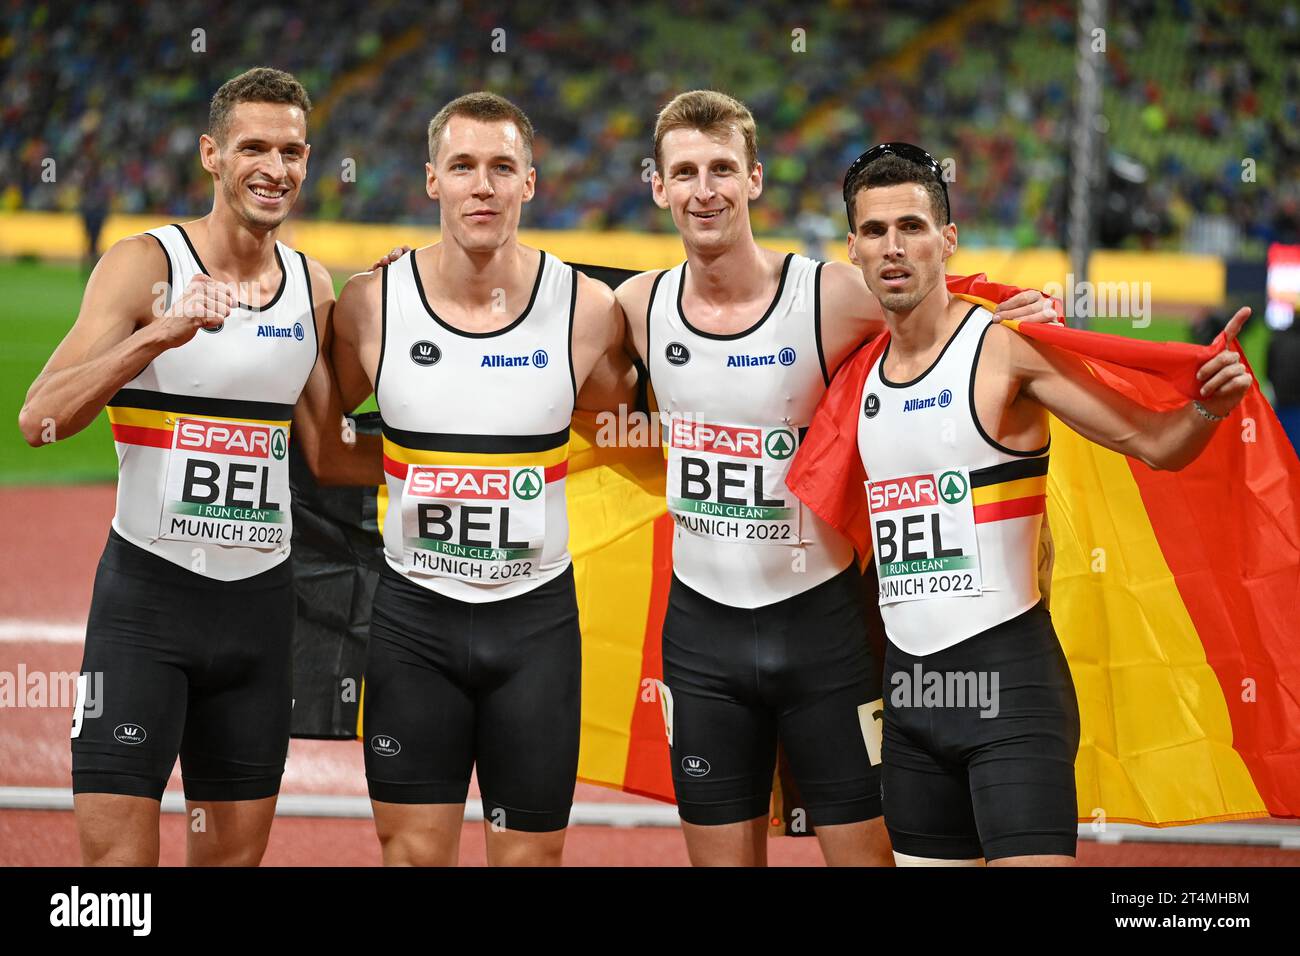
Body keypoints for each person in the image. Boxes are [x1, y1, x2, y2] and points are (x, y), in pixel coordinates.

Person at [612, 91, 1059, 866]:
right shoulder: (636, 305)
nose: (704, 189)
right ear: (658, 186)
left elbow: (931, 306)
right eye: (684, 172)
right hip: (700, 636)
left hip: (823, 630)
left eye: (723, 168)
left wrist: (1022, 310)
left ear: (755, 178)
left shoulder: (825, 295)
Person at [791, 142, 1252, 866]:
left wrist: (1207, 409)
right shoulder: (857, 377)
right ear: (851, 248)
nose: (893, 246)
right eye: (874, 231)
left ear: (947, 240)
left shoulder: (1004, 351)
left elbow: (1156, 444)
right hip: (910, 699)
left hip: (1011, 692)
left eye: (911, 227)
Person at [19, 67, 373, 866]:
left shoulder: (310, 286)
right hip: (148, 607)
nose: (273, 168)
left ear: (308, 160)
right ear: (212, 154)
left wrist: (490, 438)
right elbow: (40, 419)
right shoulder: (147, 263)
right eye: (253, 147)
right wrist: (158, 335)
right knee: (118, 875)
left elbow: (329, 454)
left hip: (258, 616)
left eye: (290, 151)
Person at [321, 92, 632, 866]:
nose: (483, 185)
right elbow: (324, 449)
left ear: (531, 183)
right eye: (463, 166)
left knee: (528, 859)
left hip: (535, 628)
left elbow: (642, 414)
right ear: (433, 181)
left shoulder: (587, 310)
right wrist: (429, 473)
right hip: (411, 624)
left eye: (502, 167)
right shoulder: (370, 305)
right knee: (413, 855)